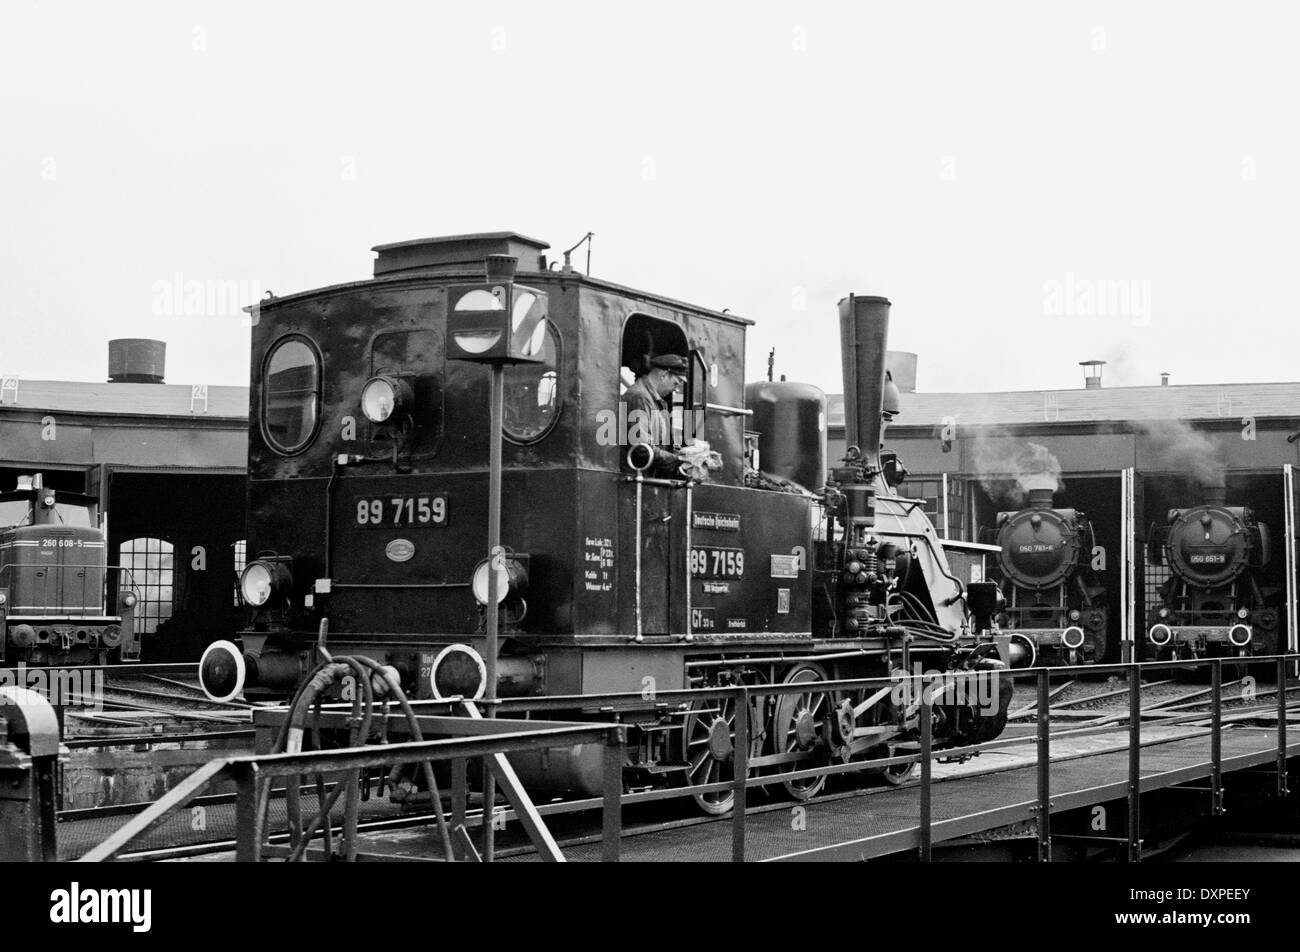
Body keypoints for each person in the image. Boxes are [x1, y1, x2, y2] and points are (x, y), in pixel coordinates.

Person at [622, 353, 688, 475]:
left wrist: (681, 455)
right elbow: (642, 449)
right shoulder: (640, 398)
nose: (675, 389)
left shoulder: (651, 400)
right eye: (675, 383)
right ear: (664, 375)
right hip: (636, 478)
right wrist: (680, 460)